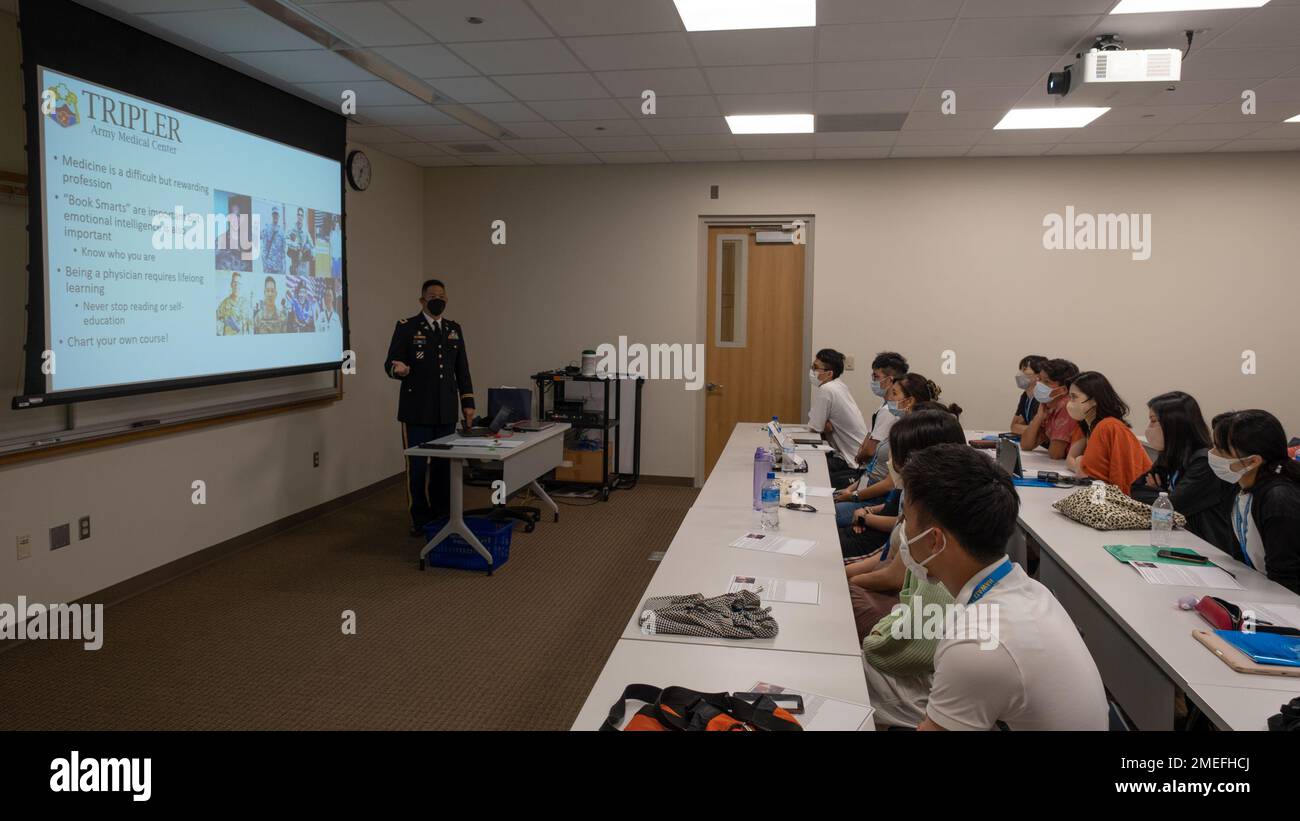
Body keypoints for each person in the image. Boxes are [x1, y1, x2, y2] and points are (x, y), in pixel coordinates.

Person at [893, 443, 1108, 730]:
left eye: (906, 519)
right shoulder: (1028, 589)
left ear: (935, 541)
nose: (902, 530)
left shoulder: (980, 645)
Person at [845, 409, 966, 645]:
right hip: (903, 601)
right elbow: (888, 557)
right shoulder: (922, 494)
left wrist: (847, 581)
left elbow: (894, 576)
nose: (891, 462)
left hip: (907, 609)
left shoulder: (932, 508)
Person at [386, 279, 476, 537]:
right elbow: (390, 363)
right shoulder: (407, 327)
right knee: (417, 468)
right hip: (416, 411)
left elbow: (463, 370)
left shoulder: (453, 329)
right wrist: (398, 369)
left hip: (446, 411)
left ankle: (442, 514)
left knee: (443, 467)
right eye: (432, 295)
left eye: (442, 295)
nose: (438, 299)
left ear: (446, 299)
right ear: (422, 300)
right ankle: (420, 518)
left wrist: (467, 404)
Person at [837, 374, 961, 535]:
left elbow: (902, 519)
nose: (890, 397)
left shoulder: (915, 436)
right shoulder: (901, 426)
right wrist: (862, 505)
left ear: (909, 401)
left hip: (880, 503)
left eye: (894, 393)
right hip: (879, 503)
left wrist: (857, 502)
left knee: (833, 515)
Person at [1132, 391, 1235, 554]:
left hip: (1208, 548)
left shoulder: (1204, 463)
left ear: (1173, 424)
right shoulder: (1170, 456)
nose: (1148, 428)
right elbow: (1136, 490)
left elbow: (1172, 507)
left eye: (1153, 421)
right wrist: (1164, 495)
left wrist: (1160, 493)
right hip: (1178, 538)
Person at [1210, 410, 1300, 594]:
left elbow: (1287, 581)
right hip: (1256, 588)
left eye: (1220, 449)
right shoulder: (1240, 486)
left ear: (1253, 461)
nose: (1212, 454)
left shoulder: (1279, 498)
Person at [1063, 371, 1151, 492]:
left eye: (1074, 397)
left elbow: (1121, 476)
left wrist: (1080, 462)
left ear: (1094, 400)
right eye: (1070, 397)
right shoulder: (1090, 425)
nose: (1070, 402)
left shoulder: (1108, 426)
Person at [807, 348, 868, 488]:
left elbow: (814, 427)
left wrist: (823, 425)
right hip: (853, 457)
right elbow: (822, 425)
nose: (812, 371)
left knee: (807, 468)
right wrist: (824, 425)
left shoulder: (827, 389)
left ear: (829, 373)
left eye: (816, 368)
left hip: (850, 463)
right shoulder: (838, 385)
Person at [1019, 357, 1081, 459]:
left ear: (1063, 389)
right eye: (1039, 379)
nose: (1039, 385)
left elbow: (1055, 454)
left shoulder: (1066, 406)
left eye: (1047, 382)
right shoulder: (1048, 405)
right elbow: (1026, 445)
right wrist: (1038, 417)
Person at [1010, 354, 1047, 435]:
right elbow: (1013, 426)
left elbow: (1041, 431)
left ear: (1039, 375)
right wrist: (1031, 429)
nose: (1019, 374)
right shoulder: (1025, 396)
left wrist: (1031, 429)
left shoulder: (1043, 397)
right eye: (1020, 369)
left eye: (1024, 369)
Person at [215, 271, 245, 335]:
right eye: (235, 282)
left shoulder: (245, 304)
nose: (237, 285)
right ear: (231, 284)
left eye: (239, 283)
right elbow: (216, 319)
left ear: (241, 285)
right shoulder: (224, 303)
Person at [260, 207, 286, 274]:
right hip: (268, 265)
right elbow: (263, 247)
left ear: (279, 216)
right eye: (274, 214)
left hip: (278, 266)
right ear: (272, 215)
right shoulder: (266, 228)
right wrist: (264, 263)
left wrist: (284, 266)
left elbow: (283, 250)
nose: (275, 216)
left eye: (277, 214)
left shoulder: (282, 231)